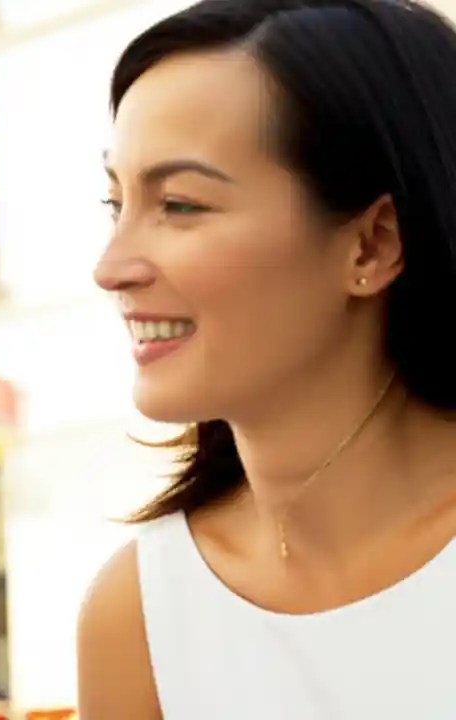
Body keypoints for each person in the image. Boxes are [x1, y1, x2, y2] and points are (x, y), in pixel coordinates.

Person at [77, 0, 456, 717]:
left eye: (180, 205)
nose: (112, 266)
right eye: (115, 203)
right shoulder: (138, 614)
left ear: (371, 245)